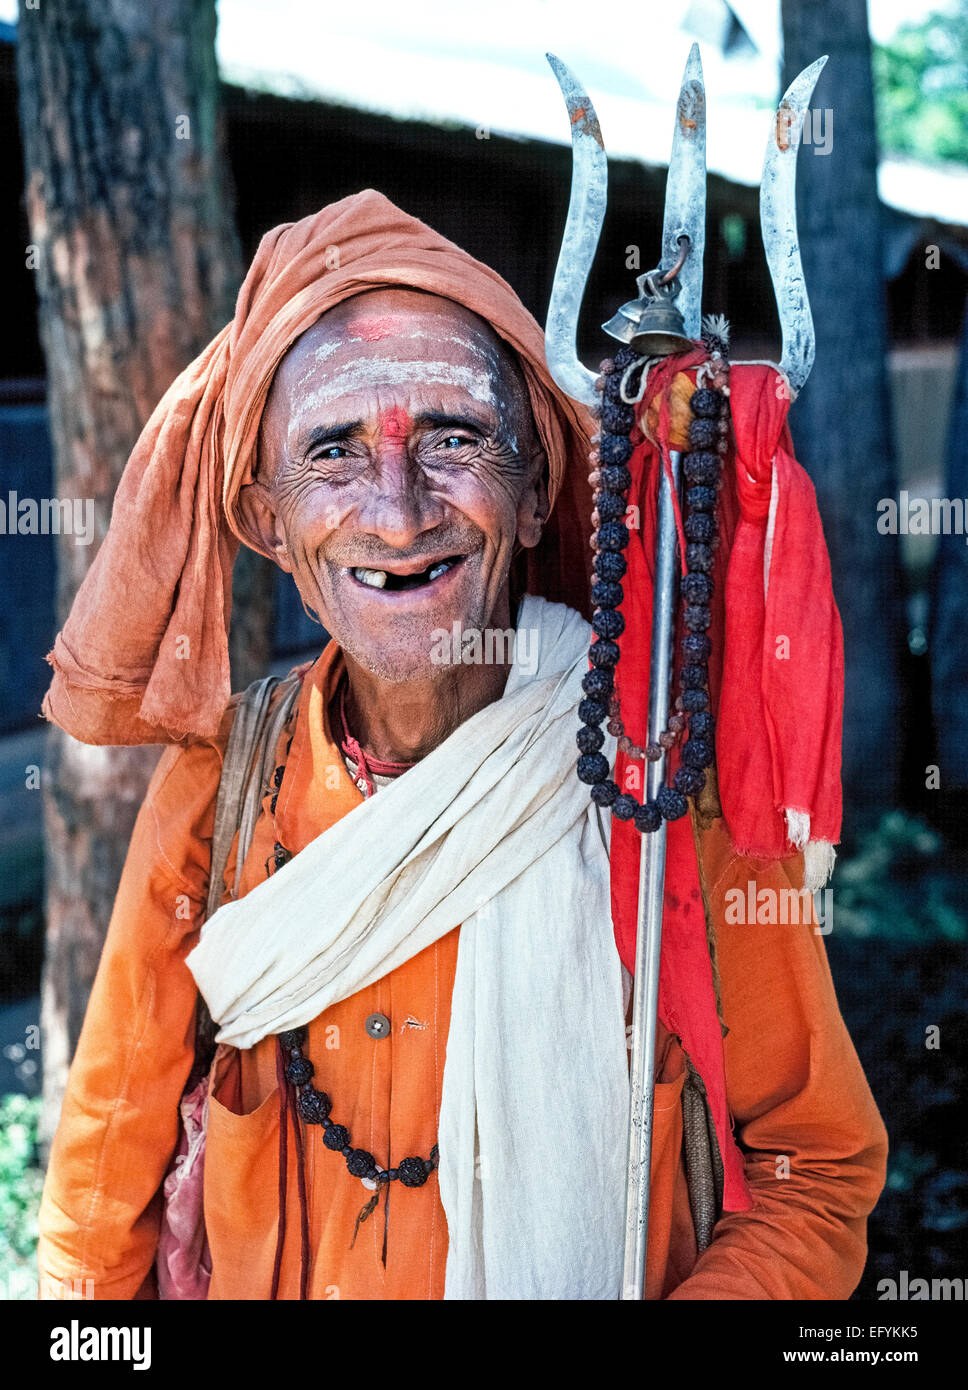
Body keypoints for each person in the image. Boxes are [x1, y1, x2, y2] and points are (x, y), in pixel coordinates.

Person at [36, 190, 887, 1301]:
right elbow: (98, 1213)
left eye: (452, 439)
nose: (396, 514)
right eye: (333, 453)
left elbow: (813, 1169)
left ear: (535, 493)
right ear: (266, 525)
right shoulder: (219, 793)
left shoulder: (659, 776)